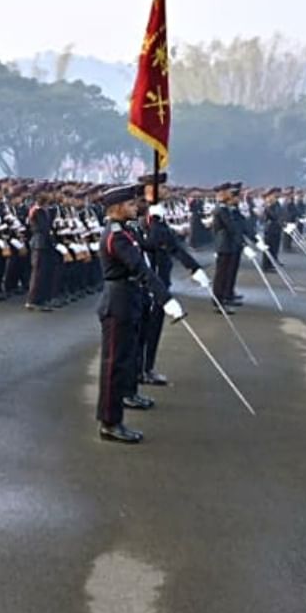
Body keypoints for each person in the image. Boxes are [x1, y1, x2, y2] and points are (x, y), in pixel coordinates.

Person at [94, 184, 176, 445]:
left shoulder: (126, 231)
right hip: (118, 302)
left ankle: (119, 410)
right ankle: (109, 421)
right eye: (130, 204)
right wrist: (165, 297)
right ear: (117, 208)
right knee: (113, 365)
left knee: (126, 359)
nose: (135, 207)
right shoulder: (116, 236)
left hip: (129, 299)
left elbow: (150, 248)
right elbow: (140, 267)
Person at [136, 171, 210, 388]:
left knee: (155, 326)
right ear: (151, 190)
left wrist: (193, 268)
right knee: (147, 327)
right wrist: (156, 222)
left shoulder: (157, 214)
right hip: (151, 278)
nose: (167, 191)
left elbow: (173, 245)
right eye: (163, 187)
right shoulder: (144, 214)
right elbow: (151, 243)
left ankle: (147, 367)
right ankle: (141, 369)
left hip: (162, 276)